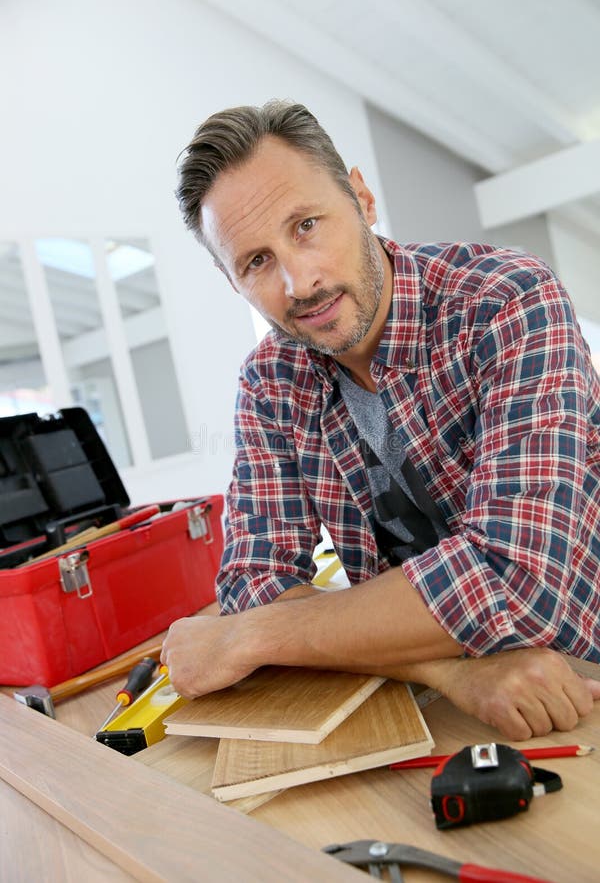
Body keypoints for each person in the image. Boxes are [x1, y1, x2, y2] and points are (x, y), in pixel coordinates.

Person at [162, 100, 600, 739]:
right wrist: (450, 674)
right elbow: (254, 580)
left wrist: (250, 638)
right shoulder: (270, 380)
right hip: (460, 703)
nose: (299, 280)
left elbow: (515, 577)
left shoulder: (508, 301)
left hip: (581, 676)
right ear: (233, 281)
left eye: (307, 225)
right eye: (255, 261)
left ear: (361, 199)